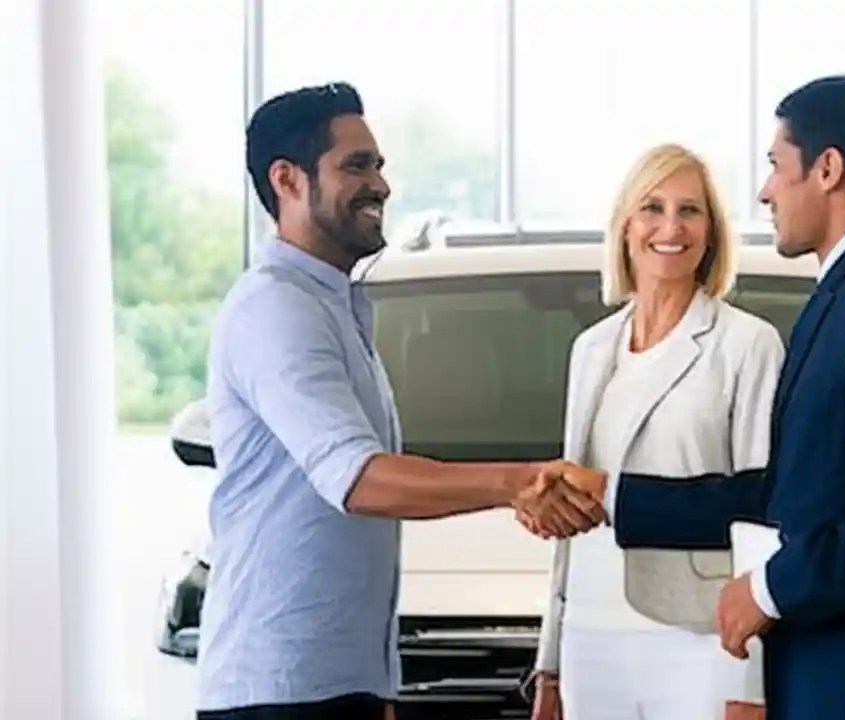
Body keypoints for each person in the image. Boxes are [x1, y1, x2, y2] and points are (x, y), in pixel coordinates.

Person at [532, 75, 845, 719]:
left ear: (828, 170)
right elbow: (784, 494)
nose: (765, 190)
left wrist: (770, 588)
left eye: (775, 164)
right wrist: (612, 495)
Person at [197, 82, 600, 720]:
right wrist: (518, 482)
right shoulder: (275, 309)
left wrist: (375, 686)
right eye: (356, 166)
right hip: (284, 689)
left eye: (379, 165)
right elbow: (358, 479)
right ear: (287, 179)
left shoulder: (339, 305)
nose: (380, 185)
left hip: (341, 682)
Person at [526, 143, 785, 720]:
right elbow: (570, 526)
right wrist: (551, 662)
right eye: (652, 207)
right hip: (590, 635)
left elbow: (761, 515)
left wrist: (753, 682)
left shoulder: (747, 344)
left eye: (689, 210)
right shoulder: (591, 349)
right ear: (625, 225)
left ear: (711, 232)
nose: (671, 227)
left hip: (700, 637)